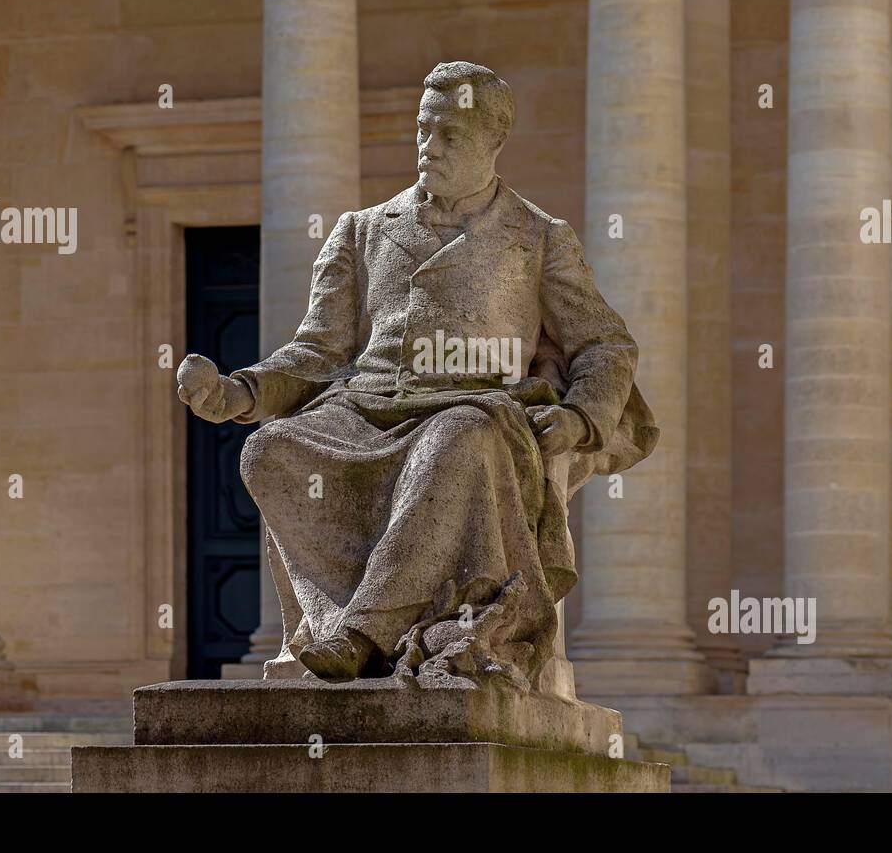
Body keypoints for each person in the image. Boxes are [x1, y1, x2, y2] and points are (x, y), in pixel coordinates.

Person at [177, 61, 656, 687]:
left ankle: (362, 633)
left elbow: (604, 343)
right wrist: (241, 391)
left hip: (477, 407)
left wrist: (578, 417)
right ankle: (327, 624)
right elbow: (316, 351)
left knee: (453, 441)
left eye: (450, 135)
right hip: (364, 411)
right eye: (423, 130)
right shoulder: (362, 231)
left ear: (493, 142)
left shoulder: (539, 238)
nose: (429, 147)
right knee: (268, 450)